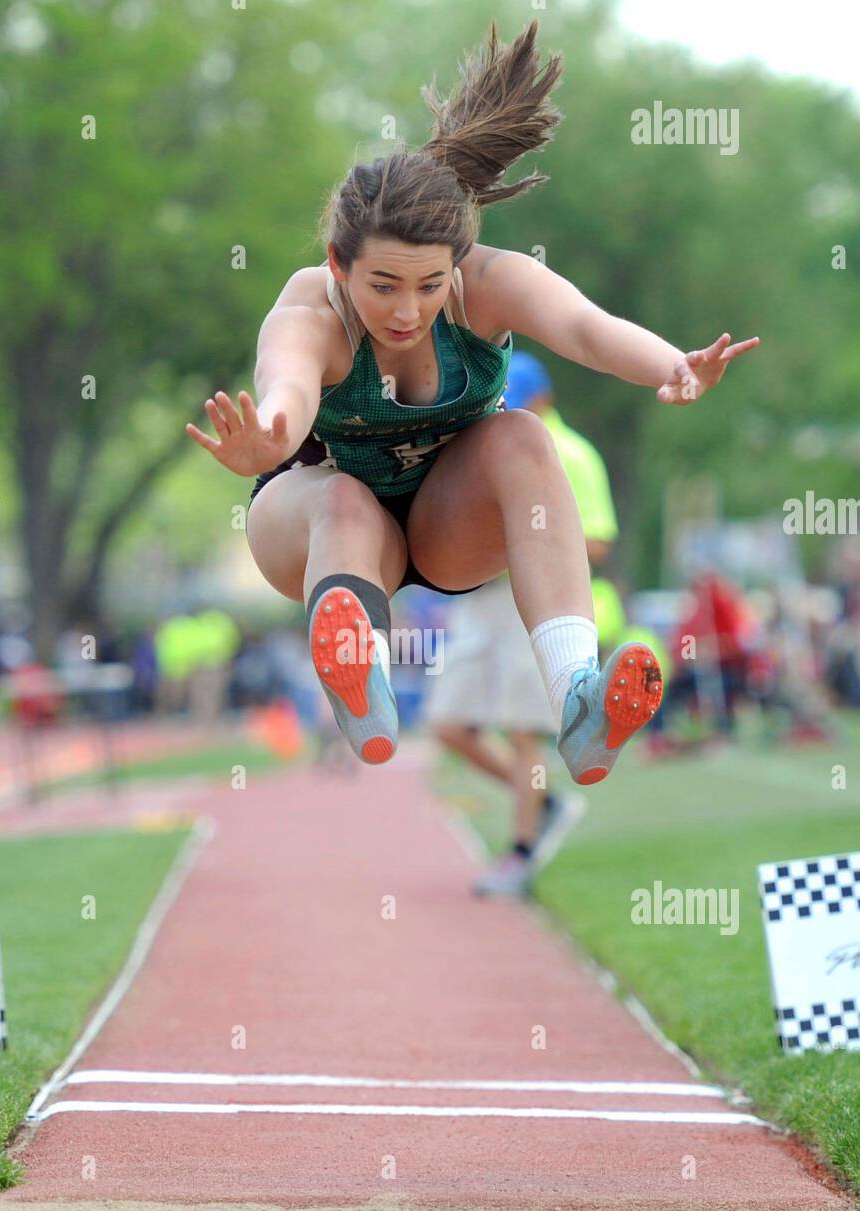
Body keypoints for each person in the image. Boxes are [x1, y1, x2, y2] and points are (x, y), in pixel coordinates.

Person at [186, 19, 758, 785]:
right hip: (317, 529)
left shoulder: (490, 285)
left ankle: (578, 700)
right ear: (336, 263)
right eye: (381, 286)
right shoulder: (309, 312)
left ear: (456, 263)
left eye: (428, 285)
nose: (404, 311)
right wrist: (273, 436)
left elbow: (585, 329)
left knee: (521, 436)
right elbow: (285, 384)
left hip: (444, 527)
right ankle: (362, 679)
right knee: (346, 501)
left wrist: (670, 363)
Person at [424, 353, 619, 896]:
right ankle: (544, 801)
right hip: (478, 596)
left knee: (520, 726)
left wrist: (526, 547)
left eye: (515, 398)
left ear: (543, 398)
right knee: (448, 723)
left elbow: (599, 541)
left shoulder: (572, 452)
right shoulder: (484, 444)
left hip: (531, 596)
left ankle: (521, 849)